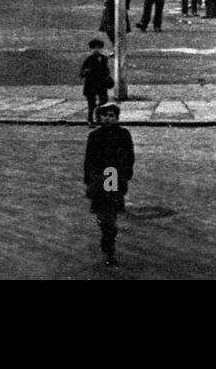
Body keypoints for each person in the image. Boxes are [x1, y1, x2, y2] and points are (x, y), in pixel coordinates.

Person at [84, 102, 135, 266]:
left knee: (109, 215)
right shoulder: (94, 136)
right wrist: (88, 179)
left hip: (113, 176)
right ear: (99, 117)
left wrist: (126, 175)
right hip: (99, 178)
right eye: (104, 115)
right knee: (102, 215)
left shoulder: (123, 134)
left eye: (111, 116)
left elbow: (129, 156)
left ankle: (109, 245)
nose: (107, 119)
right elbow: (89, 159)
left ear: (117, 118)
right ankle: (108, 237)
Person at [80, 38, 113, 125]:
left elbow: (106, 70)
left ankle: (98, 114)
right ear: (91, 49)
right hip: (91, 84)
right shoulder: (89, 59)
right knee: (91, 103)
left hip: (101, 84)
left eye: (99, 48)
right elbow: (82, 73)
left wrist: (108, 77)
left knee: (104, 100)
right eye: (95, 48)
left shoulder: (104, 58)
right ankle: (90, 120)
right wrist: (87, 72)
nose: (97, 50)